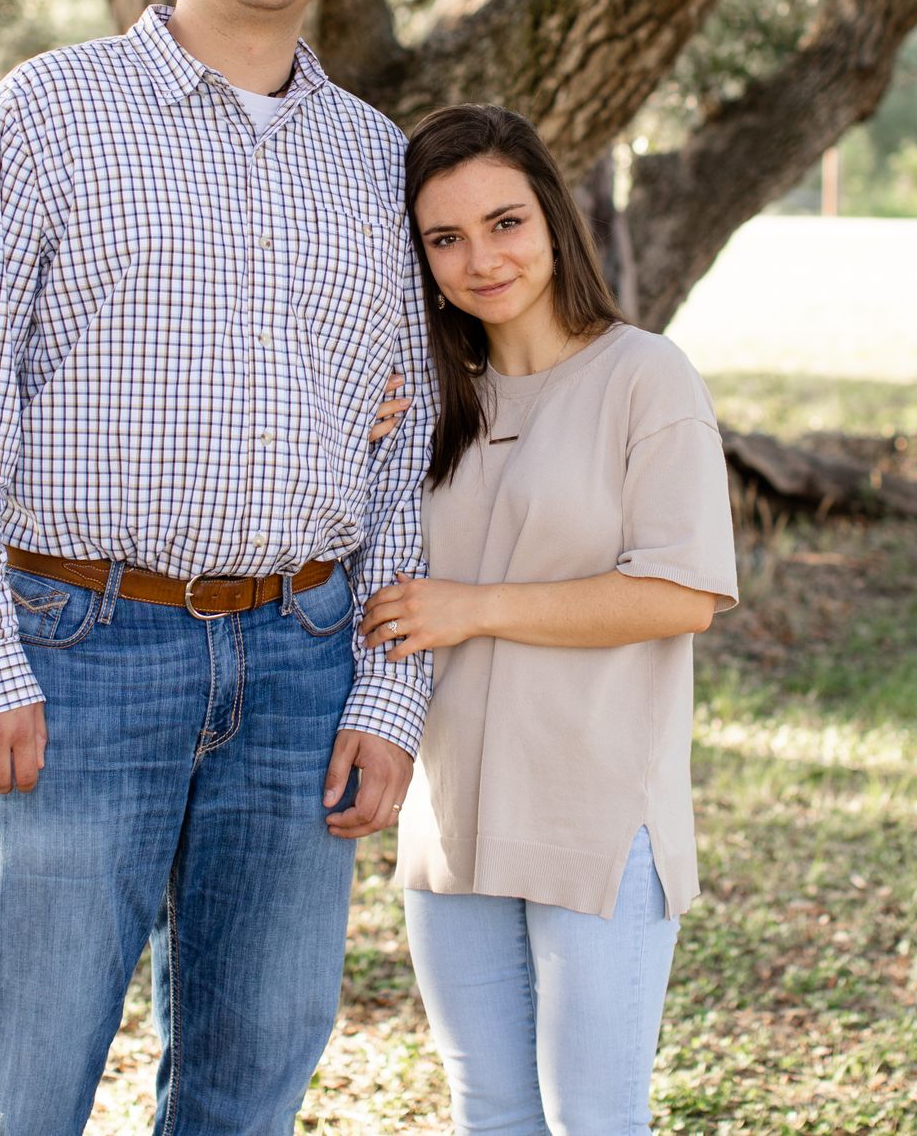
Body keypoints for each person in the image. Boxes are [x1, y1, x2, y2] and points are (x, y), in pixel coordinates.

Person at [0, 0, 434, 1136]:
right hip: (75, 648)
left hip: (304, 658)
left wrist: (389, 693)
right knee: (27, 1081)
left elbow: (405, 433)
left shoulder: (378, 162)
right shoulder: (45, 118)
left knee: (253, 1076)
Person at [362, 104, 738, 1136]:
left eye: (504, 222)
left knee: (593, 1120)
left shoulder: (642, 377)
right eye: (445, 238)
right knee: (489, 1110)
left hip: (596, 813)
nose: (481, 258)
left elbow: (680, 592)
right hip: (454, 817)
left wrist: (473, 611)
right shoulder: (438, 403)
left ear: (552, 222)